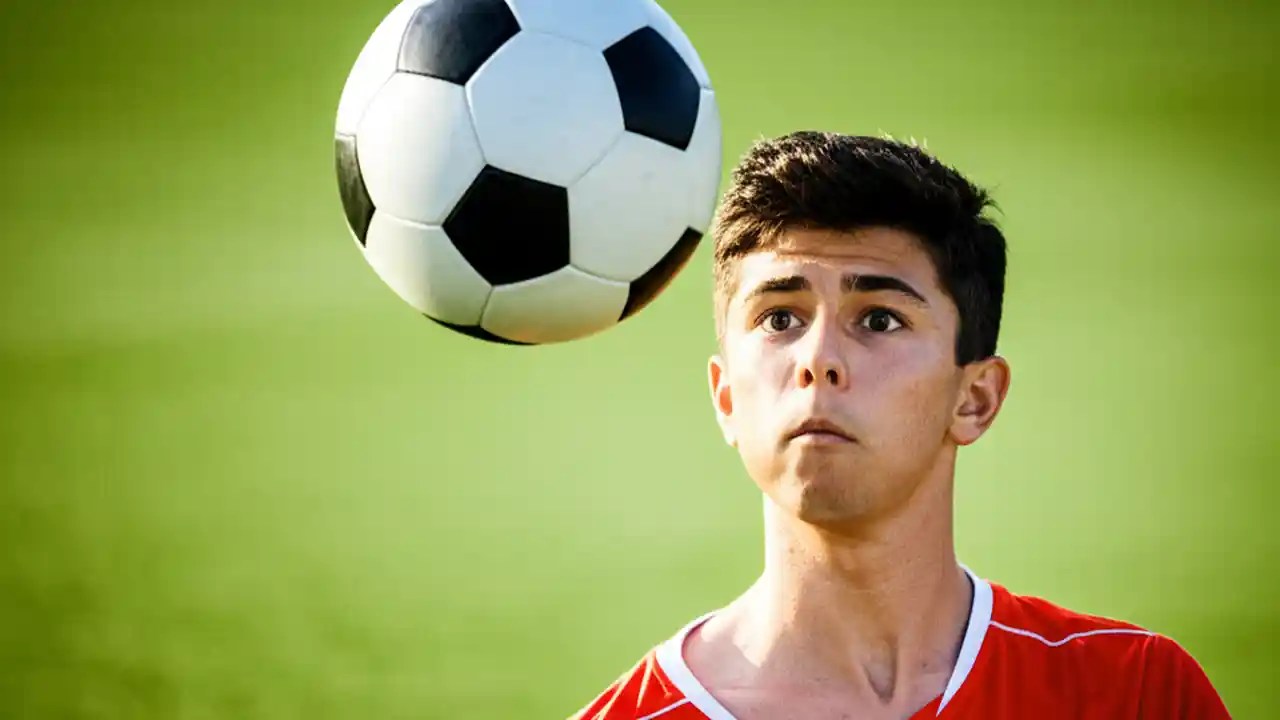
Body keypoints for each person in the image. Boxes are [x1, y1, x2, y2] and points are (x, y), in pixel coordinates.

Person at [569, 132, 1230, 719]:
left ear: (975, 398)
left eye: (879, 318)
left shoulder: (1134, 693)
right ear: (726, 399)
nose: (819, 360)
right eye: (780, 318)